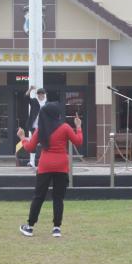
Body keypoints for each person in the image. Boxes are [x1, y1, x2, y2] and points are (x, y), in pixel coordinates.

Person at [16, 101, 82, 238]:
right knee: (58, 198)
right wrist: (78, 127)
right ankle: (56, 228)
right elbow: (78, 141)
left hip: (45, 166)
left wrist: (22, 137)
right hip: (62, 166)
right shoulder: (65, 127)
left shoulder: (41, 130)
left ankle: (29, 227)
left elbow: (29, 148)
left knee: (38, 197)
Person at [22, 86, 47, 167]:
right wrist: (30, 89)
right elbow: (25, 97)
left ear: (44, 95)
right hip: (34, 127)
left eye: (42, 94)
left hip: (44, 127)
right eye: (39, 94)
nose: (40, 95)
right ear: (37, 95)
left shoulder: (47, 104)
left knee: (44, 144)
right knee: (33, 144)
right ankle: (32, 162)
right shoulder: (34, 101)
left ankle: (43, 161)